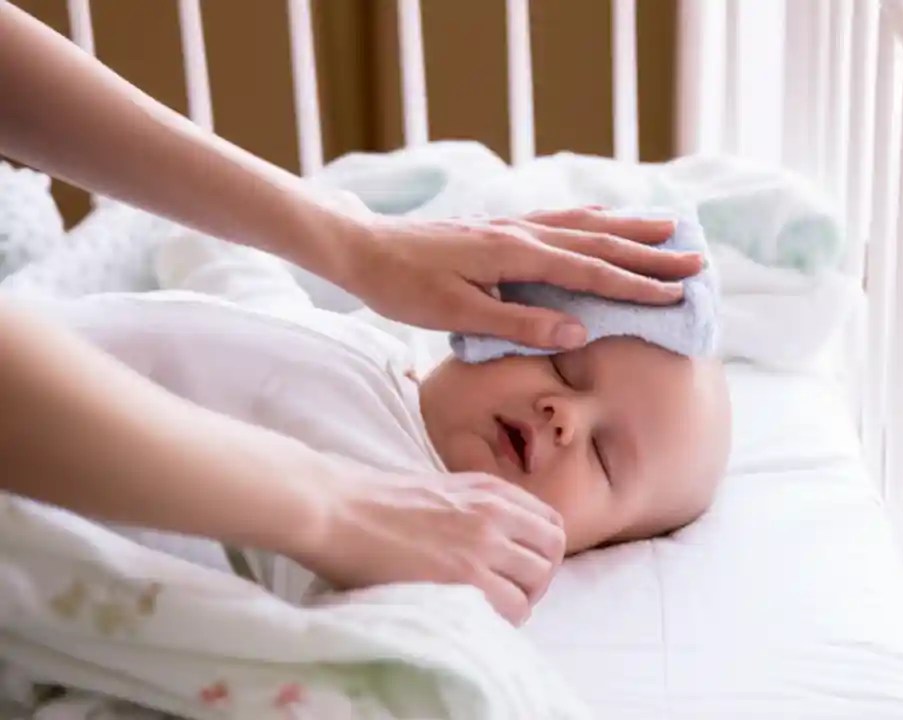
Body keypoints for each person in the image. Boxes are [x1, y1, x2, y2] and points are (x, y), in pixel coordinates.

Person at [0, 3, 702, 623]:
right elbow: (246, 292)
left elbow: (340, 631)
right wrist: (217, 239)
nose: (566, 416)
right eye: (564, 361)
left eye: (607, 460)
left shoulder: (420, 522)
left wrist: (353, 244)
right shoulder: (369, 348)